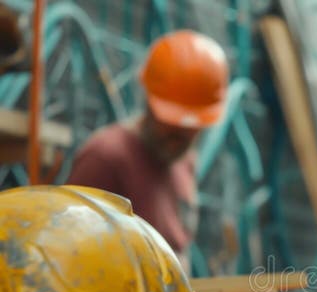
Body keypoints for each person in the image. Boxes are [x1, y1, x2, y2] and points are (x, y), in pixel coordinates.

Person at [67, 30, 229, 272]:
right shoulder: (105, 158)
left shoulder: (184, 163)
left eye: (190, 127)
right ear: (149, 99)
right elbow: (68, 253)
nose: (179, 134)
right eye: (171, 120)